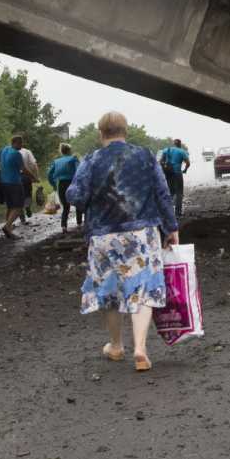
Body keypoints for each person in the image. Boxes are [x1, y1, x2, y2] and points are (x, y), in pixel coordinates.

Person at [67, 110, 180, 373]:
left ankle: (116, 346)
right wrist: (171, 227)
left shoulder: (91, 160)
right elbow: (162, 194)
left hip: (104, 235)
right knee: (144, 288)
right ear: (125, 131)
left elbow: (77, 197)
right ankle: (140, 348)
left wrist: (73, 190)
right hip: (142, 234)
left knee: (109, 291)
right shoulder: (145, 156)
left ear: (100, 133)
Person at [0, 134, 30, 239]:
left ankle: (9, 229)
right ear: (14, 143)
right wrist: (34, 177)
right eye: (20, 143)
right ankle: (7, 227)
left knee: (10, 206)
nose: (22, 145)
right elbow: (24, 169)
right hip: (14, 183)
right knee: (19, 207)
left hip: (3, 182)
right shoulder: (16, 154)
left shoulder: (4, 149)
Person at [48, 143, 82, 232]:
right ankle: (79, 224)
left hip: (61, 184)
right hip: (72, 183)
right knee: (78, 204)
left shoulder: (56, 161)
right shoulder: (73, 159)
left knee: (66, 207)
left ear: (61, 151)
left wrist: (53, 185)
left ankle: (64, 226)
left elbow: (49, 174)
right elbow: (80, 170)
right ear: (69, 150)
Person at [158, 138, 191, 216]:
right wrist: (185, 170)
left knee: (170, 192)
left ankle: (167, 211)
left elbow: (160, 161)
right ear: (180, 144)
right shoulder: (181, 151)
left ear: (174, 144)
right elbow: (188, 163)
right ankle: (178, 212)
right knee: (179, 192)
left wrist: (164, 170)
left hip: (168, 173)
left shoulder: (166, 150)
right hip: (177, 173)